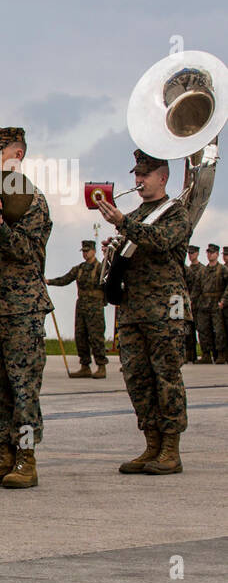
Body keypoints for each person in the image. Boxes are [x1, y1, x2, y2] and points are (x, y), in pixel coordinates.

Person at [0, 127, 52, 490]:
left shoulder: (33, 202)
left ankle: (26, 459)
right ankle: (3, 454)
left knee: (23, 387)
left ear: (16, 154)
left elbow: (26, 253)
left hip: (22, 309)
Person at [98, 150, 190, 474]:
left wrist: (124, 223)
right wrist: (113, 246)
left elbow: (161, 241)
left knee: (166, 377)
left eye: (145, 175)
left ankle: (170, 449)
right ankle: (151, 444)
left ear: (162, 178)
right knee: (137, 378)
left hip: (165, 308)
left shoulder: (176, 213)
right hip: (134, 309)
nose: (138, 180)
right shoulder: (136, 215)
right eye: (136, 175)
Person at [46, 239, 108, 378]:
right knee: (81, 336)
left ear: (94, 251)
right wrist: (49, 282)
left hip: (95, 306)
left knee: (96, 336)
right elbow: (65, 279)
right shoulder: (79, 268)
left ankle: (101, 366)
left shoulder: (100, 268)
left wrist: (106, 300)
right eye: (84, 251)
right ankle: (84, 366)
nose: (85, 254)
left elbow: (107, 285)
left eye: (87, 251)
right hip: (81, 306)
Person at [195, 244, 225, 363]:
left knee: (218, 331)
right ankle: (206, 354)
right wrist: (192, 301)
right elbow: (197, 288)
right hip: (204, 304)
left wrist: (224, 300)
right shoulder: (203, 271)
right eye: (208, 252)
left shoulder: (222, 269)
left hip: (216, 303)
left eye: (212, 252)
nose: (209, 255)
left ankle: (221, 354)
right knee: (203, 330)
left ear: (217, 254)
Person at [184, 246, 202, 363]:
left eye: (193, 253)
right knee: (188, 331)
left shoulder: (202, 269)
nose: (190, 255)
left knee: (201, 330)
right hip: (187, 305)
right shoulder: (187, 269)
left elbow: (199, 287)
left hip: (199, 304)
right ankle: (189, 355)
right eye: (189, 253)